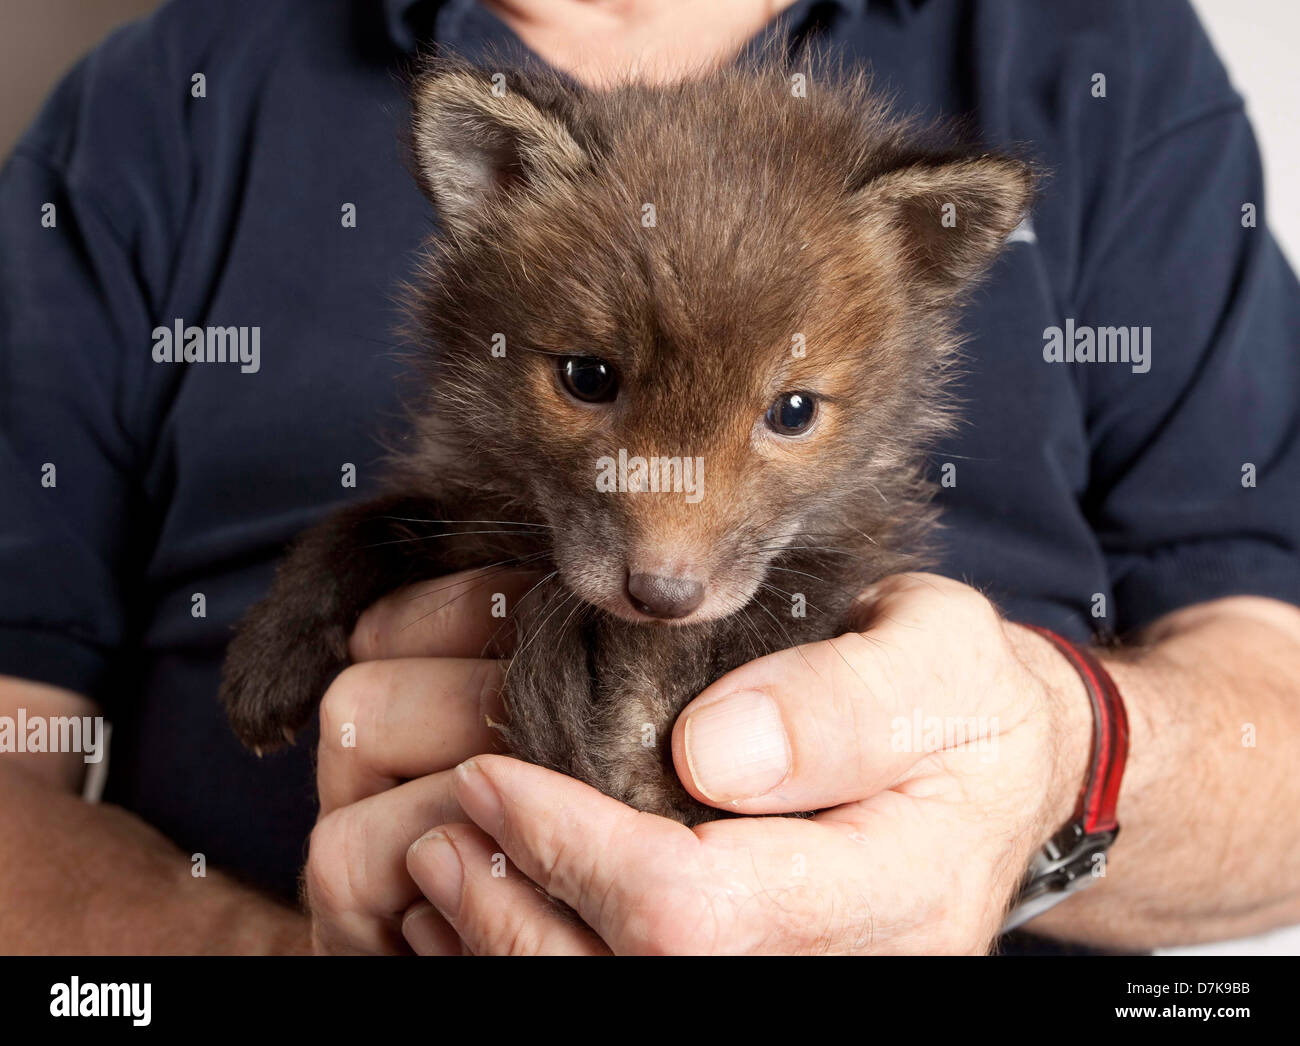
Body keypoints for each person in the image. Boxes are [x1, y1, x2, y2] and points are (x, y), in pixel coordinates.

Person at [1, 0, 1298, 956]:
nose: (667, 554)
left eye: (788, 412)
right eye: (586, 381)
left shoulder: (1107, 55)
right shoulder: (155, 107)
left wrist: (1053, 771)